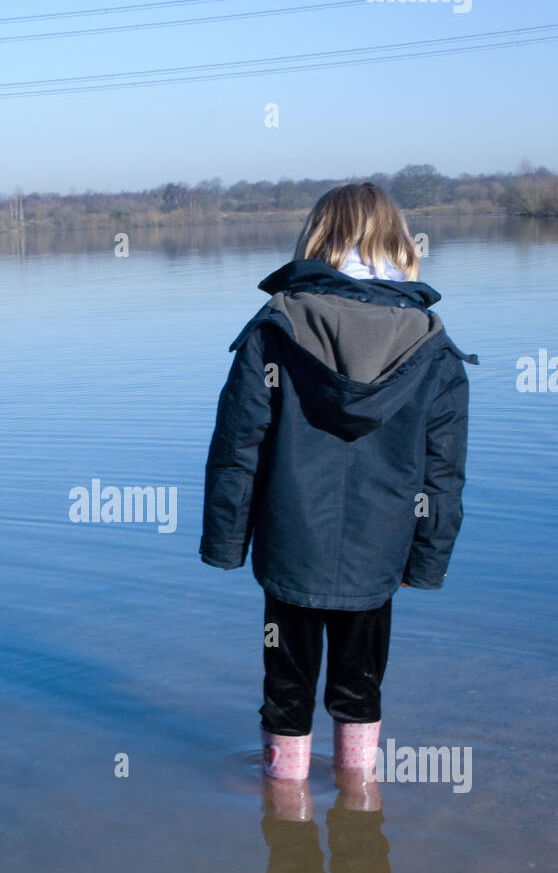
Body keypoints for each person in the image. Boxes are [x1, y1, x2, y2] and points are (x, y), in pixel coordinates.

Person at [200, 182, 477, 784]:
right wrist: (427, 561)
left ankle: (286, 815)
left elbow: (236, 449)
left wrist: (226, 544)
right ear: (400, 245)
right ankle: (361, 809)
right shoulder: (433, 346)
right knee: (360, 687)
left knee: (285, 691)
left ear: (316, 241)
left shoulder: (274, 330)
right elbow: (444, 474)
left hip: (290, 549)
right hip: (380, 557)